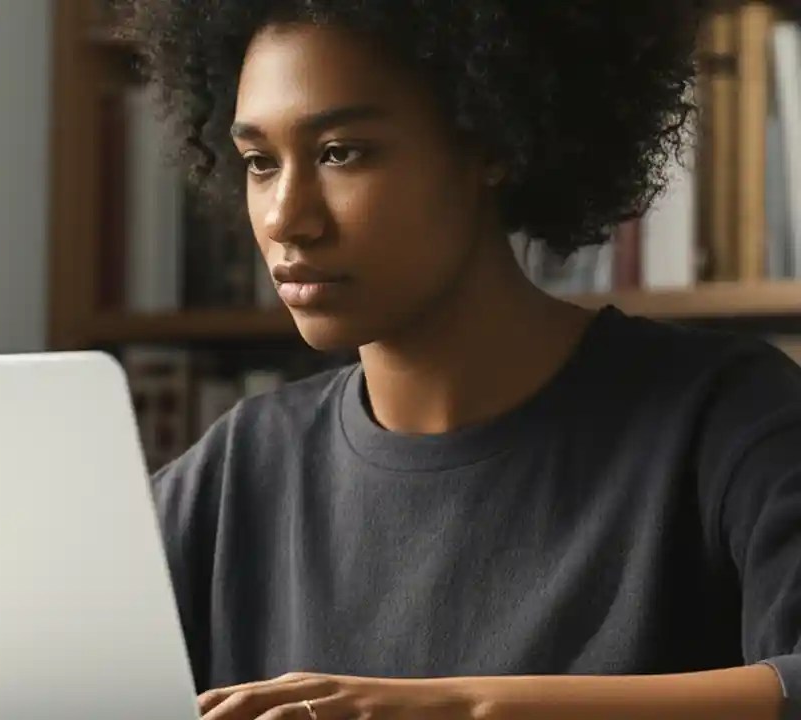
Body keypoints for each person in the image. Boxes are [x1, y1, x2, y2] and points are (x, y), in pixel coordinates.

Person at [120, 1, 801, 719]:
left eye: (340, 153)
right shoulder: (236, 470)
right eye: (260, 162)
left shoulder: (723, 418)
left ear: (490, 144)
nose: (287, 217)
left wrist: (464, 707)